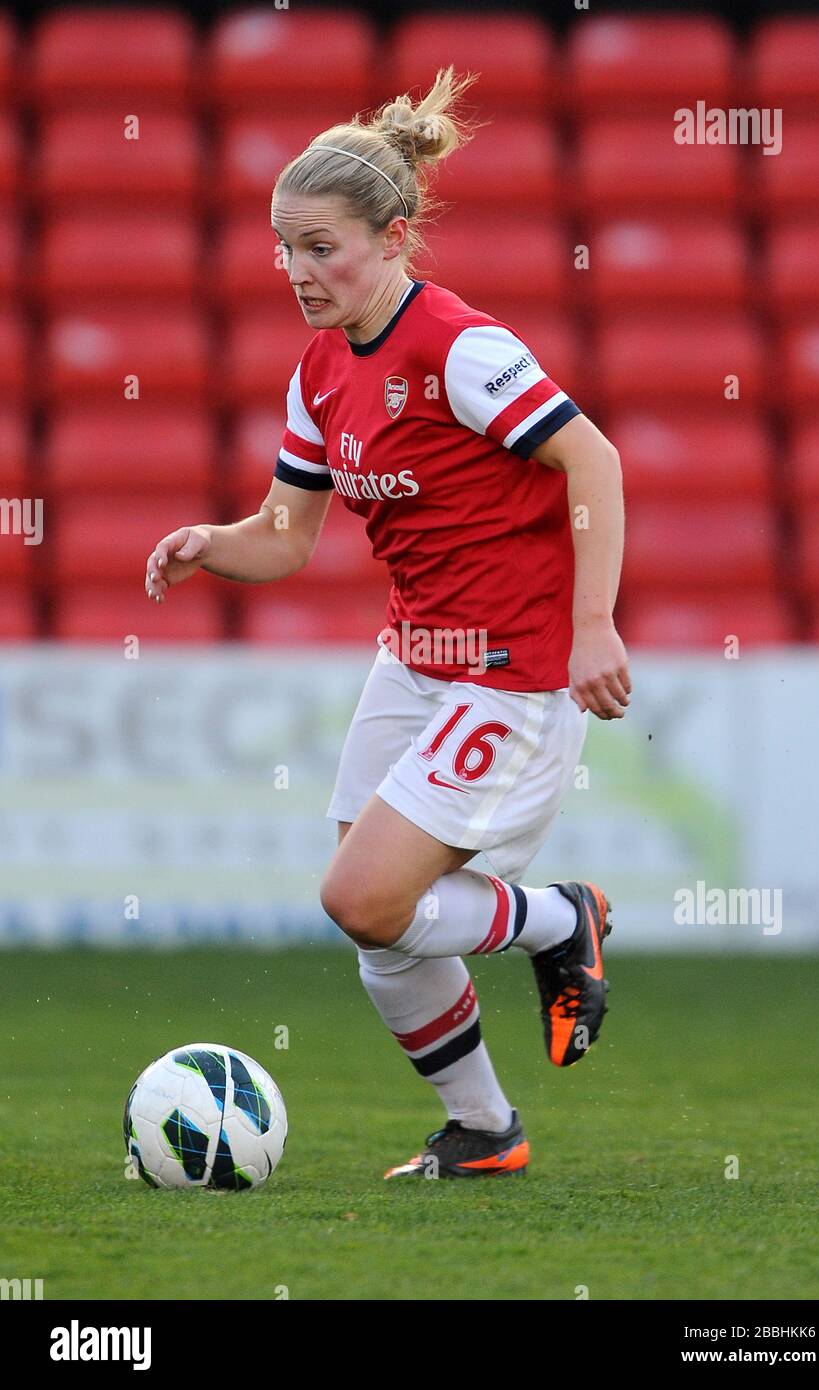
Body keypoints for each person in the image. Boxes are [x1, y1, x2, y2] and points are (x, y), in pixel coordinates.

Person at [144, 67, 630, 1180]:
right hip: (412, 662)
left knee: (365, 899)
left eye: (321, 248)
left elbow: (590, 456)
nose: (296, 272)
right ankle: (484, 1133)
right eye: (284, 248)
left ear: (393, 236)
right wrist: (214, 542)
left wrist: (593, 622)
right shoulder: (319, 373)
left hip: (510, 673)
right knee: (384, 931)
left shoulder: (459, 348)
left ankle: (559, 921)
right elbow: (287, 534)